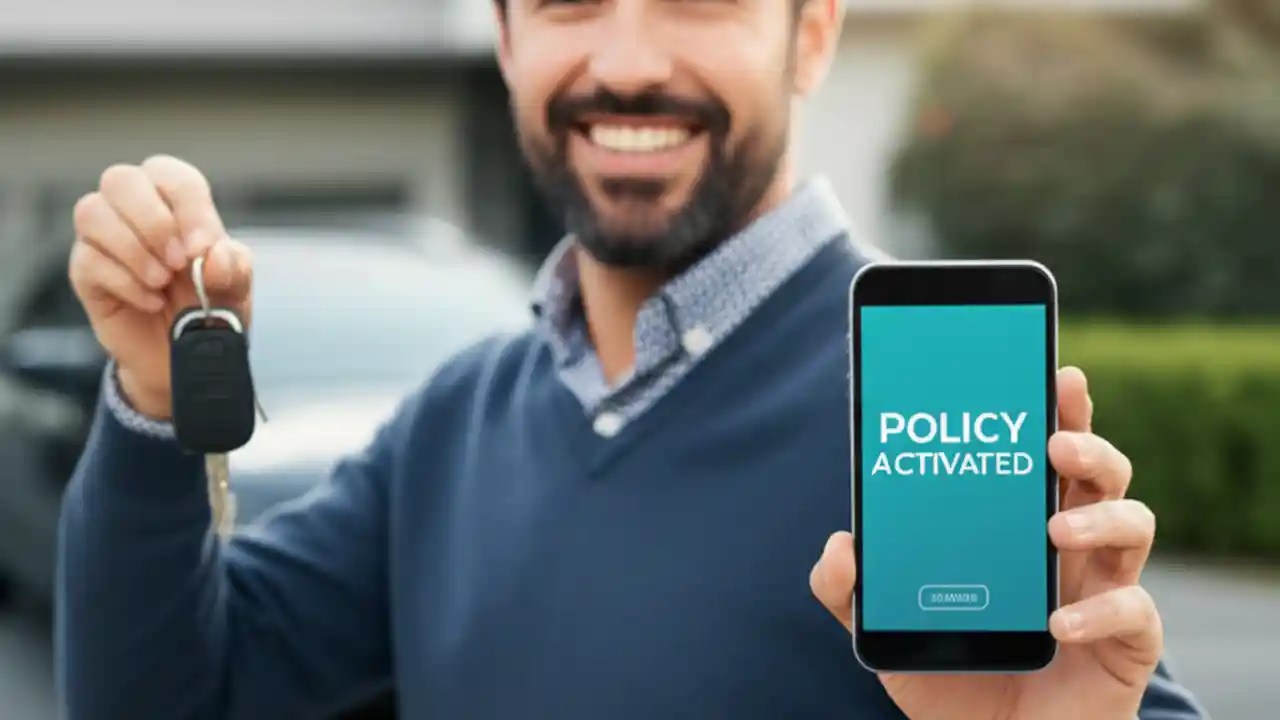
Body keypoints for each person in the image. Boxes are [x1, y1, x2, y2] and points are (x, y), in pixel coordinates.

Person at [57, 1, 1208, 718]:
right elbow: (159, 695)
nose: (625, 57)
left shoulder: (933, 411)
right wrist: (157, 401)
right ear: (507, 39)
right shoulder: (453, 425)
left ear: (811, 32)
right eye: (566, 1)